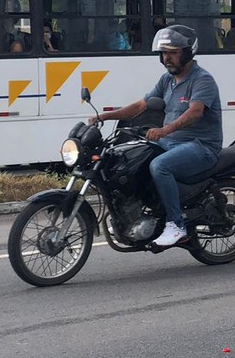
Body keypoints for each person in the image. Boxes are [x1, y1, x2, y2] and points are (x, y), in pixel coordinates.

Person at [93, 25, 222, 247]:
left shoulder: (202, 80)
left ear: (187, 53)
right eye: (163, 53)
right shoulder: (167, 80)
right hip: (170, 142)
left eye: (172, 53)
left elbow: (195, 112)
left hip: (201, 146)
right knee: (129, 158)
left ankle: (176, 225)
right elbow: (141, 105)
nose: (166, 58)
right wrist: (106, 115)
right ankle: (137, 214)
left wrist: (165, 130)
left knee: (160, 166)